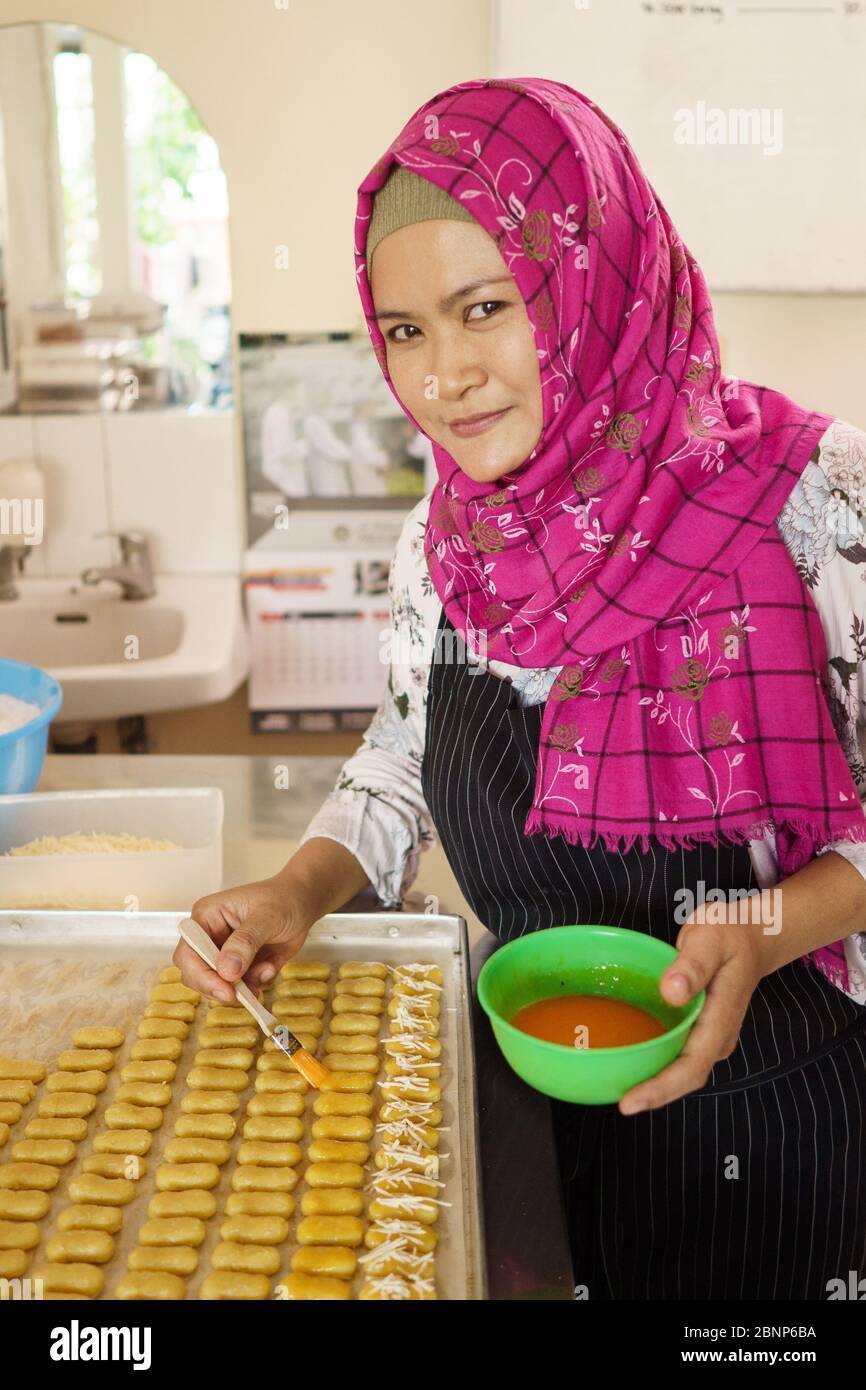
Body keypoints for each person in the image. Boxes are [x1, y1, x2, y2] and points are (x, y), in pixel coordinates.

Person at [176, 77, 866, 1300]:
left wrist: (763, 929)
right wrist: (298, 887)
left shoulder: (813, 503)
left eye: (483, 307)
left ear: (589, 274)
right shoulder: (441, 542)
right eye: (403, 331)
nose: (443, 377)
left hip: (778, 1136)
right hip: (532, 1100)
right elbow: (400, 758)